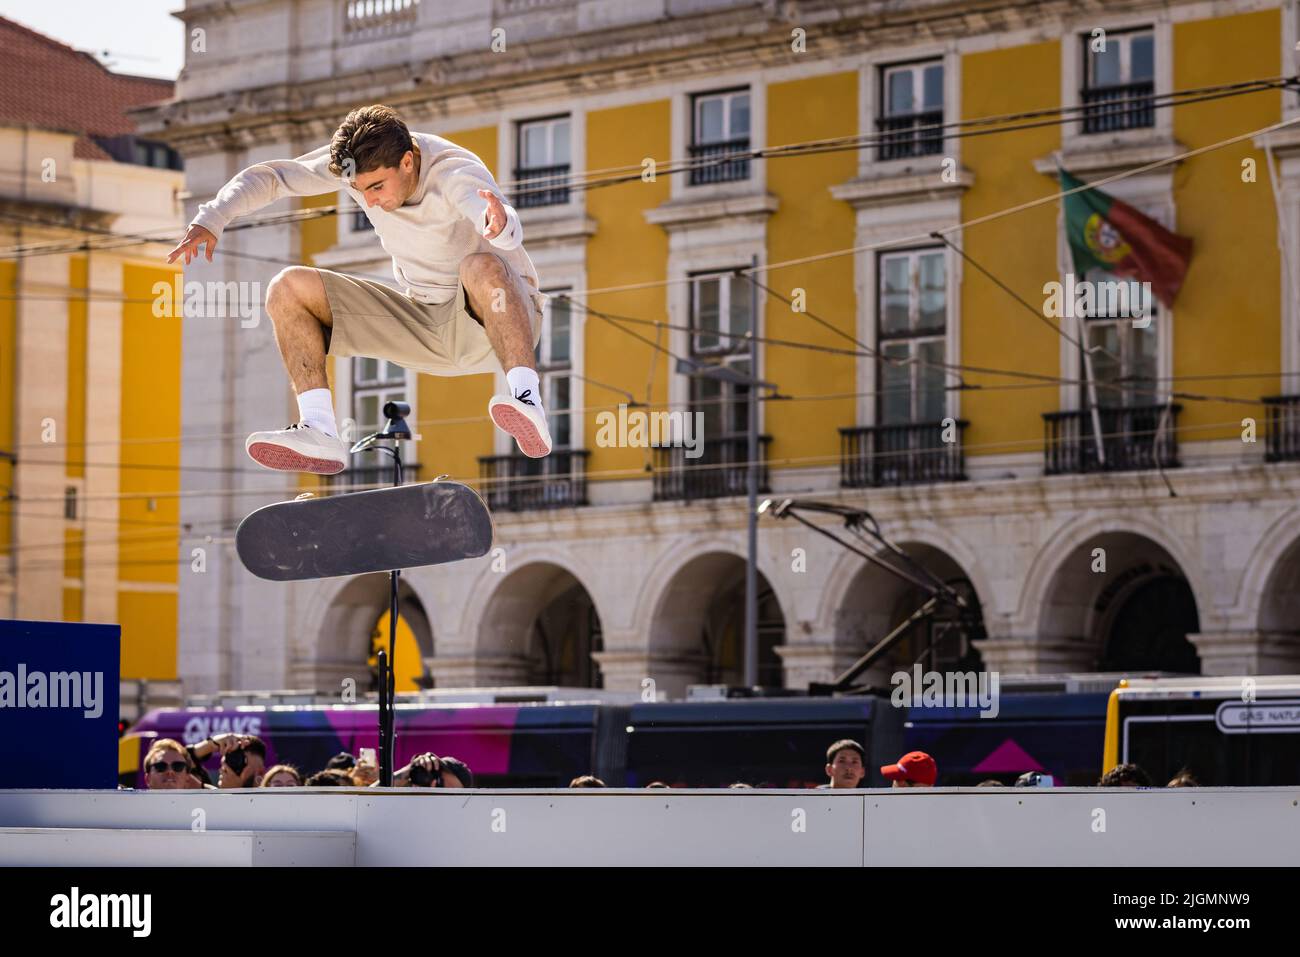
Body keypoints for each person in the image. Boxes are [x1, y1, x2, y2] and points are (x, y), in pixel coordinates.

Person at [166, 103, 552, 474]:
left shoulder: (453, 169)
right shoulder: (354, 168)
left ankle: (526, 398)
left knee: (480, 265)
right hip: (424, 322)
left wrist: (499, 224)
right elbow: (273, 176)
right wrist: (212, 217)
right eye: (360, 189)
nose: (370, 201)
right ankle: (319, 428)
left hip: (496, 322)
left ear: (407, 161)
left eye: (377, 187)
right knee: (288, 287)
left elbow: (486, 208)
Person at [143, 739, 207, 791]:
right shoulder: (134, 805)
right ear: (148, 779)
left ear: (187, 778)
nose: (170, 772)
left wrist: (201, 786)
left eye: (178, 766)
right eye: (160, 766)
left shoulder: (199, 806)